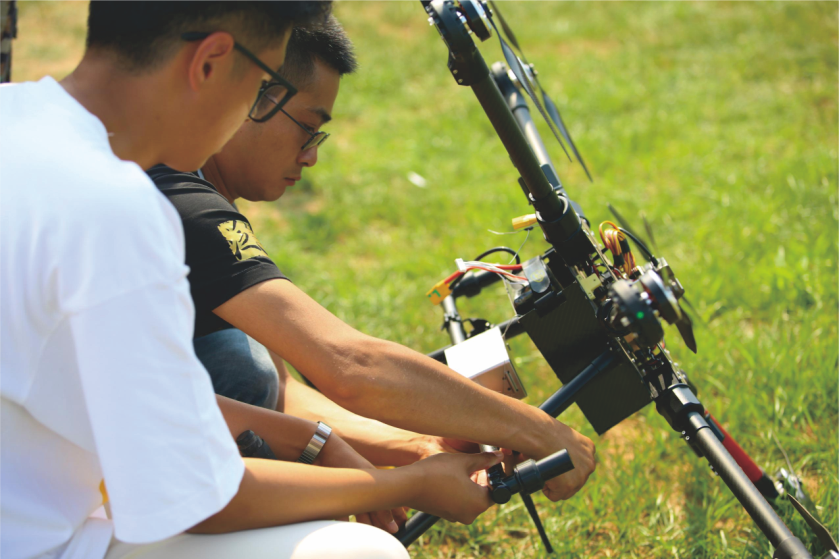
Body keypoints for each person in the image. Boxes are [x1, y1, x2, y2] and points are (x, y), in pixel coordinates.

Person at [0, 3, 504, 559]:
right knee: (362, 553)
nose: (253, 110)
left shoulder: (14, 119)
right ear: (212, 62)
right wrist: (404, 484)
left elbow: (154, 401)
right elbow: (199, 496)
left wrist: (327, 439)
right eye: (263, 85)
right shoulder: (117, 213)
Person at [148, 16, 598, 509]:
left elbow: (273, 390)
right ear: (253, 98)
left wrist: (418, 448)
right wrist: (534, 429)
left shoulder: (181, 179)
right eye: (309, 129)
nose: (311, 157)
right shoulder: (178, 201)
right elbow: (351, 366)